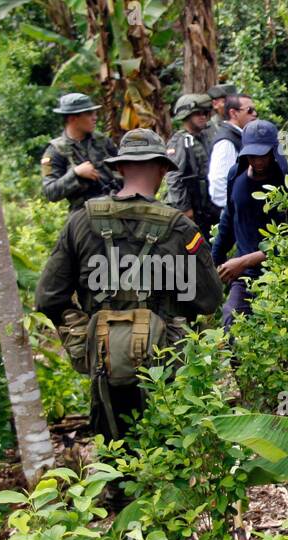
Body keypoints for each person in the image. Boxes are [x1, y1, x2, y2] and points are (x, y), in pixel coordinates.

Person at [35, 129, 223, 440]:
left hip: (104, 359)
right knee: (167, 451)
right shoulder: (179, 227)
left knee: (114, 454)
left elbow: (47, 297)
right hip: (165, 362)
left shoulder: (80, 221)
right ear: (163, 169)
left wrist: (86, 333)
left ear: (120, 168)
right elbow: (208, 299)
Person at [211, 119, 288, 331]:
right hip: (247, 277)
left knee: (284, 335)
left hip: (284, 274)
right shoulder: (235, 177)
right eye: (252, 155)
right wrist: (215, 259)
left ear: (274, 152)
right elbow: (229, 218)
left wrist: (245, 261)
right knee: (232, 323)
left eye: (264, 155)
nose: (259, 161)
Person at [41, 93, 120, 210]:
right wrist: (76, 174)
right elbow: (50, 192)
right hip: (84, 213)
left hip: (116, 205)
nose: (95, 117)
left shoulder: (103, 142)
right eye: (89, 114)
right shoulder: (55, 151)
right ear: (72, 118)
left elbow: (125, 170)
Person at [164, 93, 218, 225]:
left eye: (205, 113)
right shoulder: (180, 141)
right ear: (187, 116)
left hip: (206, 206)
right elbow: (173, 177)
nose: (203, 117)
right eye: (197, 113)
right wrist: (185, 208)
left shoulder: (205, 136)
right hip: (191, 207)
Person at [207, 94, 257, 210]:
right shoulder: (226, 142)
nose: (254, 114)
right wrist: (234, 208)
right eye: (249, 110)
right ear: (233, 113)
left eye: (254, 110)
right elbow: (218, 184)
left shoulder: (239, 136)